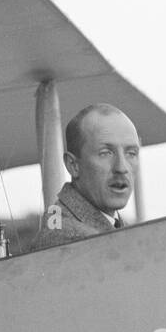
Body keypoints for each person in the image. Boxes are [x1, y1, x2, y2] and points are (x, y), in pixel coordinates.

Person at [21, 103, 139, 252]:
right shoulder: (67, 238)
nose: (121, 168)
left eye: (131, 153)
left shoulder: (115, 227)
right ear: (73, 165)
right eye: (105, 153)